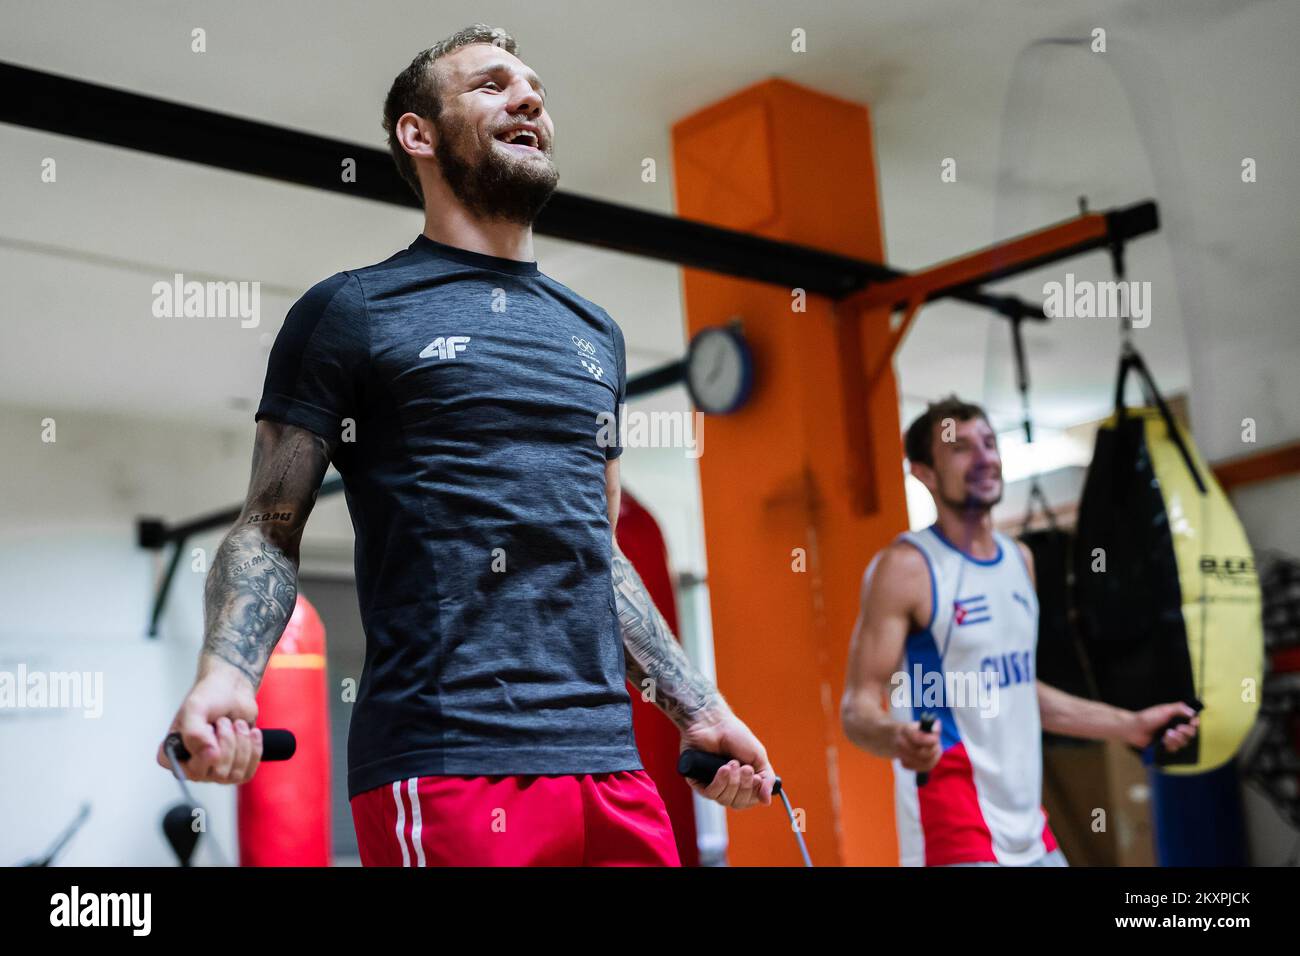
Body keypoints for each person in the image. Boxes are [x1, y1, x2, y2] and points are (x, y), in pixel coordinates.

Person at [157, 23, 775, 866]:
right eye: (490, 85)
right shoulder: (352, 311)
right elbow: (269, 524)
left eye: (534, 90)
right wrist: (228, 675)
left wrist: (698, 708)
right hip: (451, 763)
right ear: (419, 134)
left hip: (610, 766)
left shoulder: (595, 331)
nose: (529, 99)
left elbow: (601, 553)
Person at [841, 395, 1199, 866]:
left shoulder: (1019, 560)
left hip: (1028, 825)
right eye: (962, 448)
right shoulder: (906, 569)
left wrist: (1129, 725)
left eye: (990, 443)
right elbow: (857, 707)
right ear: (924, 473)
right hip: (955, 827)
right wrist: (895, 737)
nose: (985, 457)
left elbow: (1018, 690)